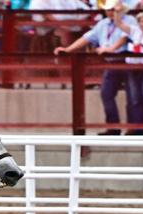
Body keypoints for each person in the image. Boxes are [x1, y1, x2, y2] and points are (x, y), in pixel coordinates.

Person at [54, 0, 130, 135]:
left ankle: (134, 129)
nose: (110, 12)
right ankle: (113, 128)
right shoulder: (103, 24)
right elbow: (87, 38)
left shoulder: (129, 20)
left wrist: (110, 49)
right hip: (112, 62)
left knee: (134, 98)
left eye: (113, 9)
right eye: (108, 9)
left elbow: (124, 38)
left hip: (129, 62)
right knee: (106, 94)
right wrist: (68, 49)